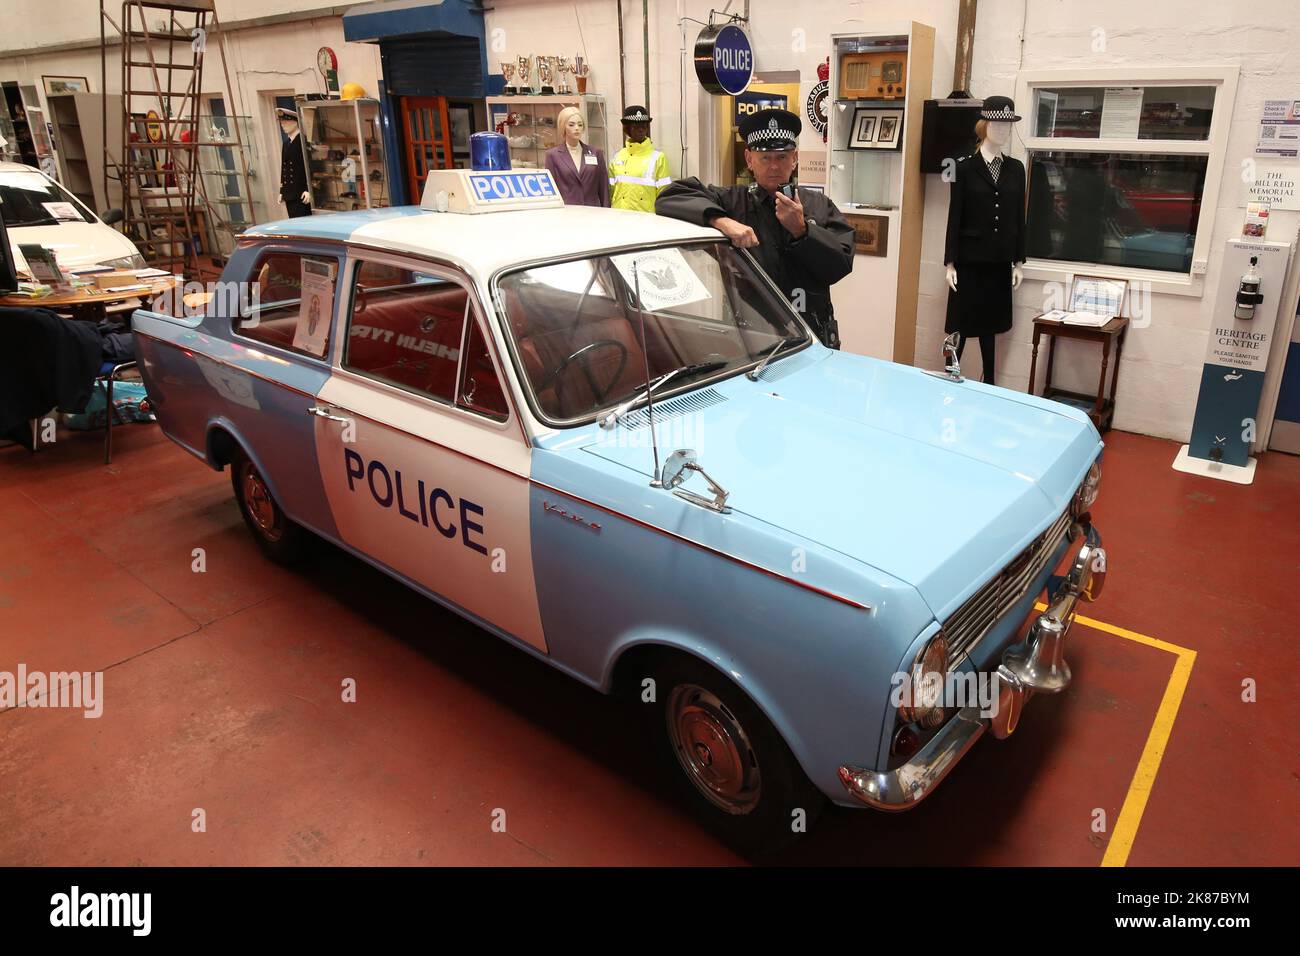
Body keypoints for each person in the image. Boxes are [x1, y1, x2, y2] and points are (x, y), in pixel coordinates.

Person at [656, 108, 854, 349]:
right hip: (751, 337)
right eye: (765, 158)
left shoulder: (817, 204)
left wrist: (803, 231)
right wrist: (721, 221)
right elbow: (670, 196)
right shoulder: (732, 201)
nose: (774, 166)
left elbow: (840, 265)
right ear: (750, 160)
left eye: (781, 157)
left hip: (811, 333)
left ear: (795, 158)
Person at [943, 95, 1026, 384]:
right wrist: (950, 262)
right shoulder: (964, 167)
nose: (1002, 130)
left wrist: (1018, 261)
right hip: (969, 261)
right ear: (984, 124)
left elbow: (1018, 217)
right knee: (961, 327)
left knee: (990, 329)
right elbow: (955, 215)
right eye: (997, 123)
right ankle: (951, 377)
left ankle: (990, 384)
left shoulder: (1016, 168)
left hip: (999, 261)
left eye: (1007, 126)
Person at [608, 105, 671, 213]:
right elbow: (610, 191)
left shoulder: (658, 158)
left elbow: (664, 194)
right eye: (636, 127)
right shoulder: (618, 156)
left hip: (646, 220)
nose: (641, 130)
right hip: (618, 217)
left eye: (644, 126)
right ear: (627, 129)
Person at [543, 106, 609, 207]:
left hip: (594, 212)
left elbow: (604, 188)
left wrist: (606, 213)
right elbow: (550, 191)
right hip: (568, 212)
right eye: (571, 125)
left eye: (580, 124)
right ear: (563, 127)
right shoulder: (553, 156)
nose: (577, 128)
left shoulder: (596, 153)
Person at [276, 107, 311, 218]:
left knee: (304, 224)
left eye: (286, 122)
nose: (283, 125)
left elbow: (311, 166)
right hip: (289, 193)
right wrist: (282, 190)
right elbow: (284, 167)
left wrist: (309, 189)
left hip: (302, 193)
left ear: (295, 122)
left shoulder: (303, 141)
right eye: (282, 122)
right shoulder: (286, 143)